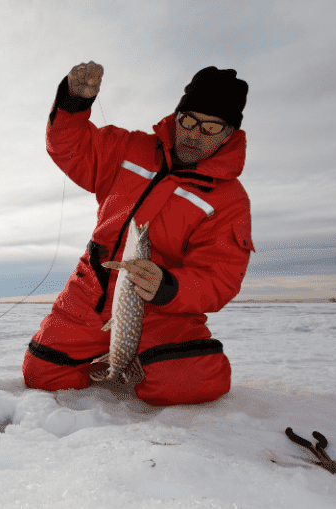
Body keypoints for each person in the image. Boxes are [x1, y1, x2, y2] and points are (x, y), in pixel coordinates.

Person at [22, 62, 254, 406]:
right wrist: (73, 102)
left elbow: (219, 278)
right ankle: (110, 361)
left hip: (162, 311)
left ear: (229, 133)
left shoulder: (229, 200)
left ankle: (141, 362)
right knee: (42, 375)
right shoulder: (129, 148)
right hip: (91, 290)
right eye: (187, 120)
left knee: (194, 382)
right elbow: (69, 146)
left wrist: (167, 286)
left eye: (210, 126)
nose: (194, 134)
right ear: (176, 117)